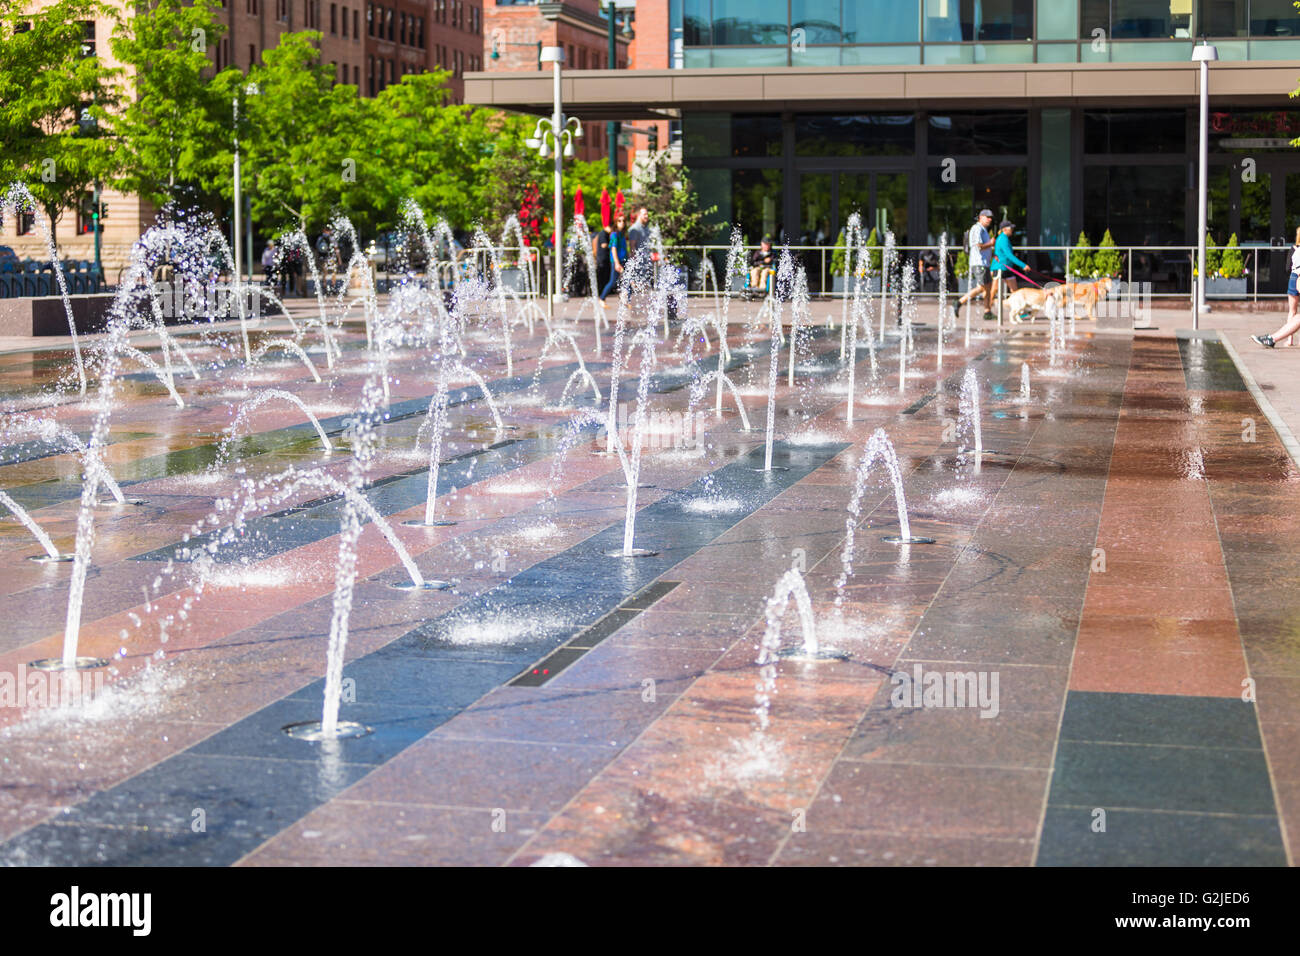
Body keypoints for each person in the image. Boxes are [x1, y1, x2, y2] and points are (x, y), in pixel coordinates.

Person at [1252, 225, 1300, 348]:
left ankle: (1273, 339)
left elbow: (1290, 267)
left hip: (1295, 277)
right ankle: (1272, 338)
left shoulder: (1296, 250)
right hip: (1297, 277)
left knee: (1293, 312)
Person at [956, 209, 995, 319]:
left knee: (988, 288)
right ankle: (959, 302)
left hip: (985, 263)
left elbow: (984, 247)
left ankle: (987, 312)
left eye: (990, 217)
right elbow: (978, 246)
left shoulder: (984, 230)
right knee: (982, 288)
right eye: (987, 217)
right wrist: (991, 244)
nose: (989, 219)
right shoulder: (977, 229)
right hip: (979, 263)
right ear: (980, 217)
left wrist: (992, 254)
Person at [989, 219, 1029, 319]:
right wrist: (1023, 265)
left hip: (1007, 268)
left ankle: (1019, 312)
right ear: (1005, 229)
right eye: (1011, 228)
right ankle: (988, 311)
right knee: (994, 290)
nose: (1012, 230)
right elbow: (1009, 255)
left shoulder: (1005, 238)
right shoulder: (1003, 239)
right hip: (1000, 268)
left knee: (1014, 291)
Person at [600, 213, 628, 304]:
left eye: (623, 221)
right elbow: (613, 248)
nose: (622, 223)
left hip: (623, 260)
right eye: (619, 221)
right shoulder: (614, 234)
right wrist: (616, 263)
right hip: (616, 261)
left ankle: (626, 300)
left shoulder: (622, 234)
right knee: (613, 281)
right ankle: (602, 298)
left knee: (627, 279)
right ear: (616, 222)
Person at [593, 220, 612, 299]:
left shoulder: (603, 233)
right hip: (602, 258)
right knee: (602, 276)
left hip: (603, 258)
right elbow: (603, 245)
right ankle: (600, 293)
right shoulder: (603, 233)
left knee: (604, 276)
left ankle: (602, 292)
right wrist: (612, 245)